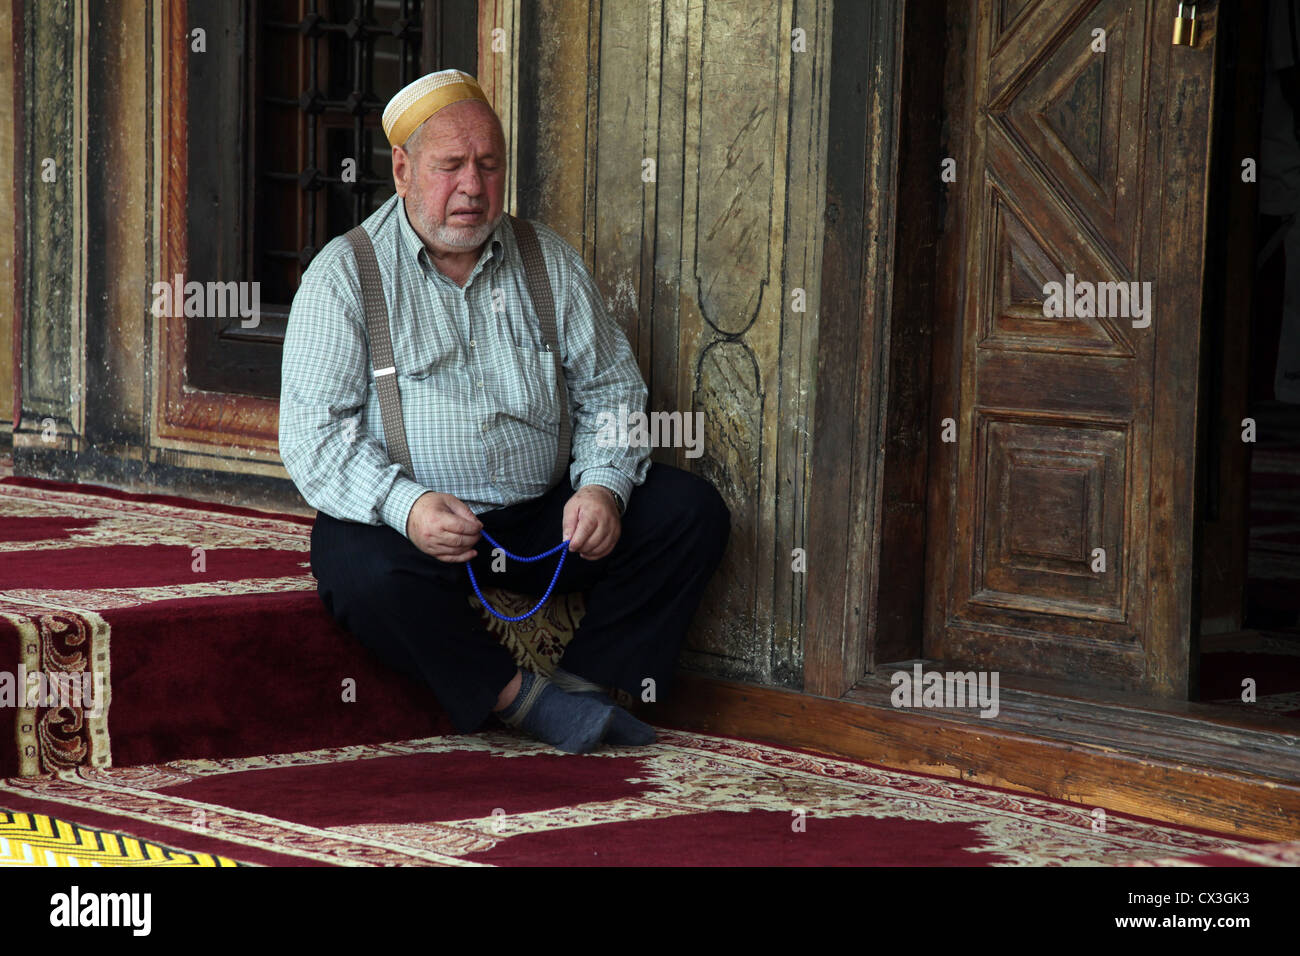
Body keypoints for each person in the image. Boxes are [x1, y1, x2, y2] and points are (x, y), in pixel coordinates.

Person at [278, 70, 730, 754]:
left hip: (541, 521)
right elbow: (315, 437)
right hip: (428, 533)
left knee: (688, 513)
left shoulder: (546, 260)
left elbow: (611, 390)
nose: (472, 187)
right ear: (401, 169)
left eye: (489, 166)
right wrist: (408, 507)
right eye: (450, 166)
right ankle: (522, 699)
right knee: (355, 568)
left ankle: (587, 684)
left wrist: (603, 487)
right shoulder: (344, 277)